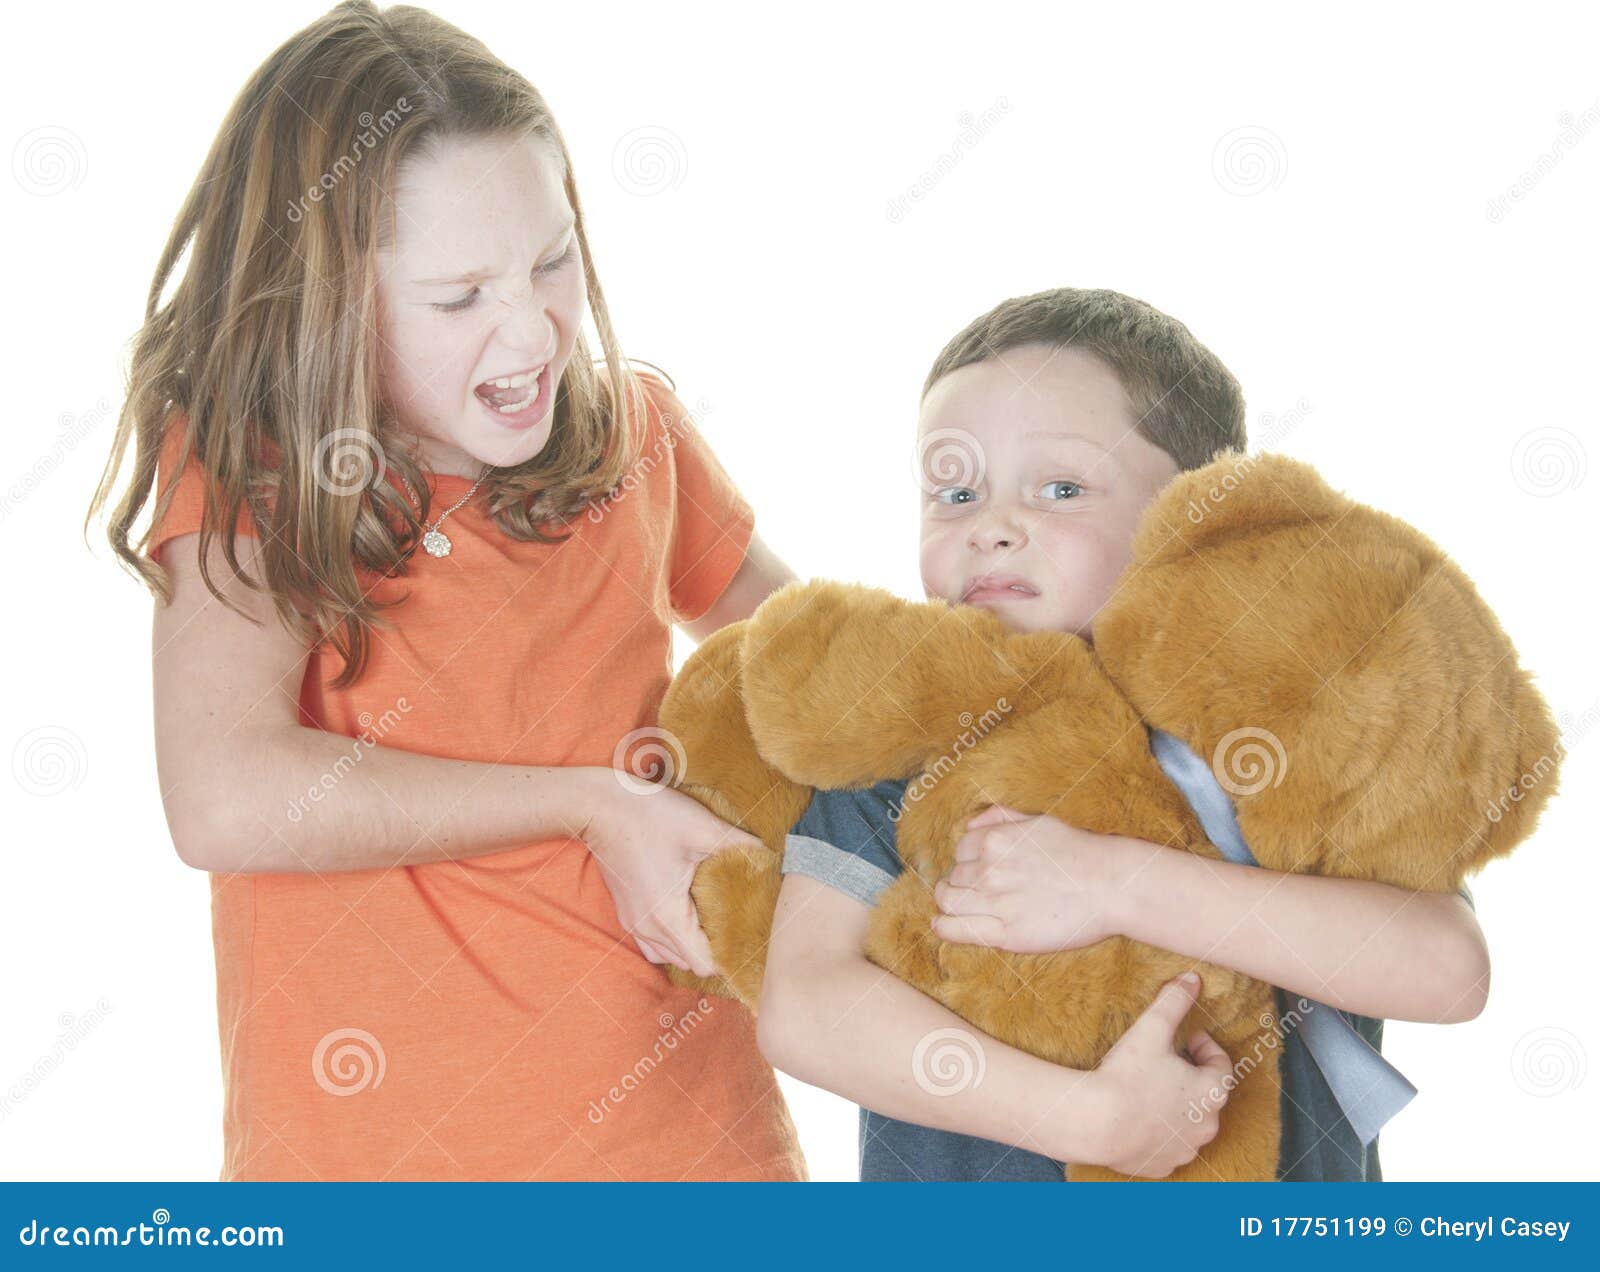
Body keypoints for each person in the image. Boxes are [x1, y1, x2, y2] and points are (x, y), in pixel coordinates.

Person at [89, 1, 804, 1181]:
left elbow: (825, 667)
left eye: (553, 260)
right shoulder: (257, 479)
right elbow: (221, 794)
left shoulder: (638, 435)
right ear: (318, 304)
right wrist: (591, 805)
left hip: (694, 1155)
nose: (531, 331)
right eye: (458, 297)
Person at [757, 288, 1488, 1181]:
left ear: (1202, 515)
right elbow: (806, 1001)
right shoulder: (901, 743)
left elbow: (1448, 969)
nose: (990, 527)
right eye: (955, 491)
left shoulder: (1284, 731)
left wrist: (1115, 883)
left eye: (1060, 488)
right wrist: (1087, 1121)